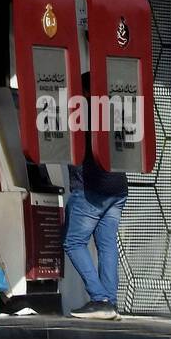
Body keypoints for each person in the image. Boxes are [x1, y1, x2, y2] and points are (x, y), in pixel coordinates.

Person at [64, 71, 128, 320]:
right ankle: (110, 302)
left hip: (91, 188)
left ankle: (99, 298)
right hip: (117, 188)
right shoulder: (114, 110)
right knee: (107, 244)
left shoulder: (83, 111)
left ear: (87, 91)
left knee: (73, 241)